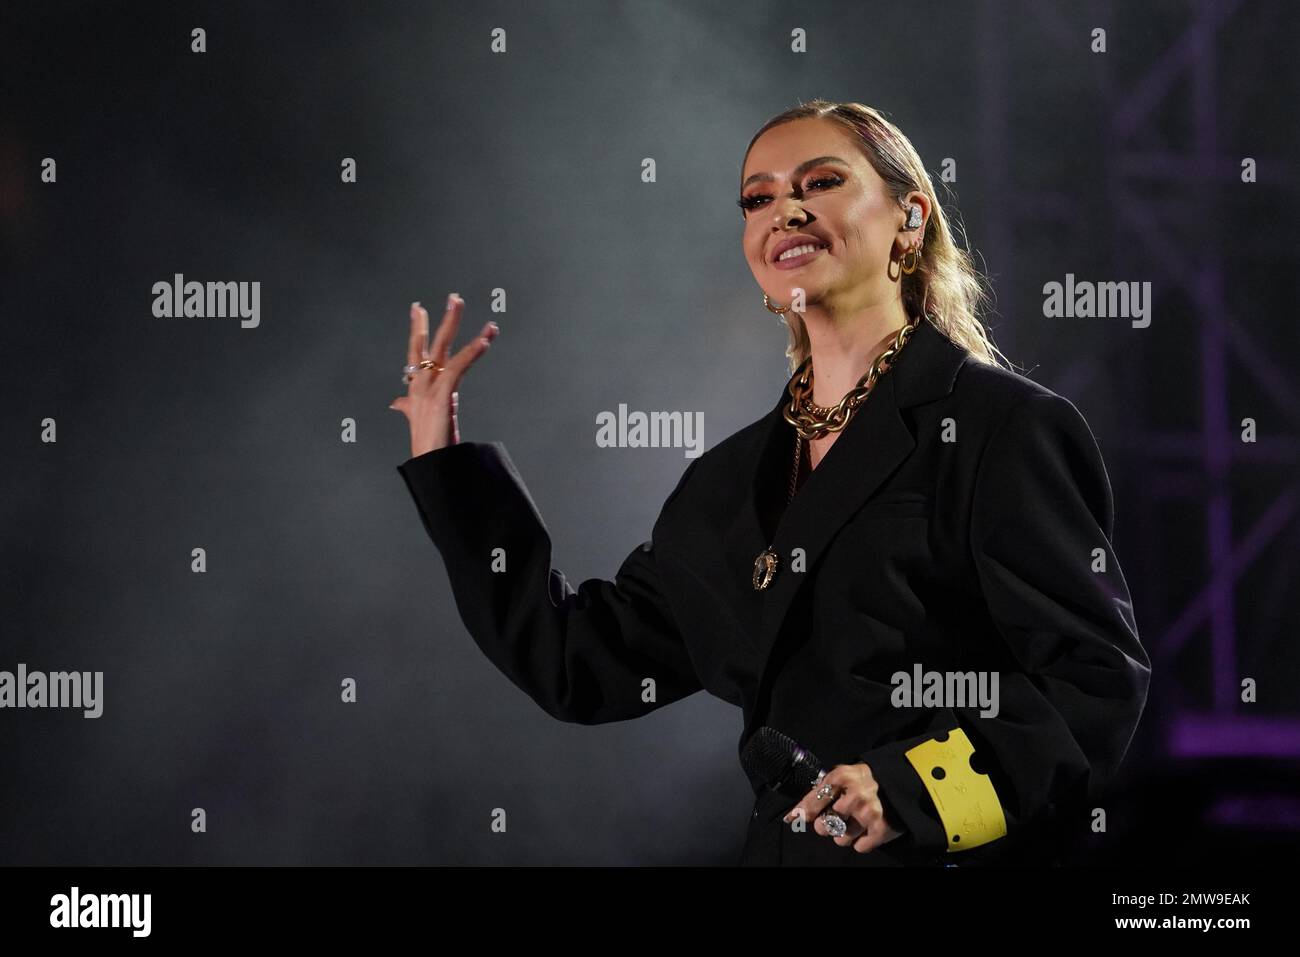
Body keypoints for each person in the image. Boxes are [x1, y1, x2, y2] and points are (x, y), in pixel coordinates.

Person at [388, 99, 1151, 867]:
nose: (785, 209)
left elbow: (1092, 686)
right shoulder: (727, 482)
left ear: (910, 219)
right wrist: (443, 458)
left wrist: (913, 790)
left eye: (819, 183)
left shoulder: (1001, 427)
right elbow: (578, 662)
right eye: (759, 197)